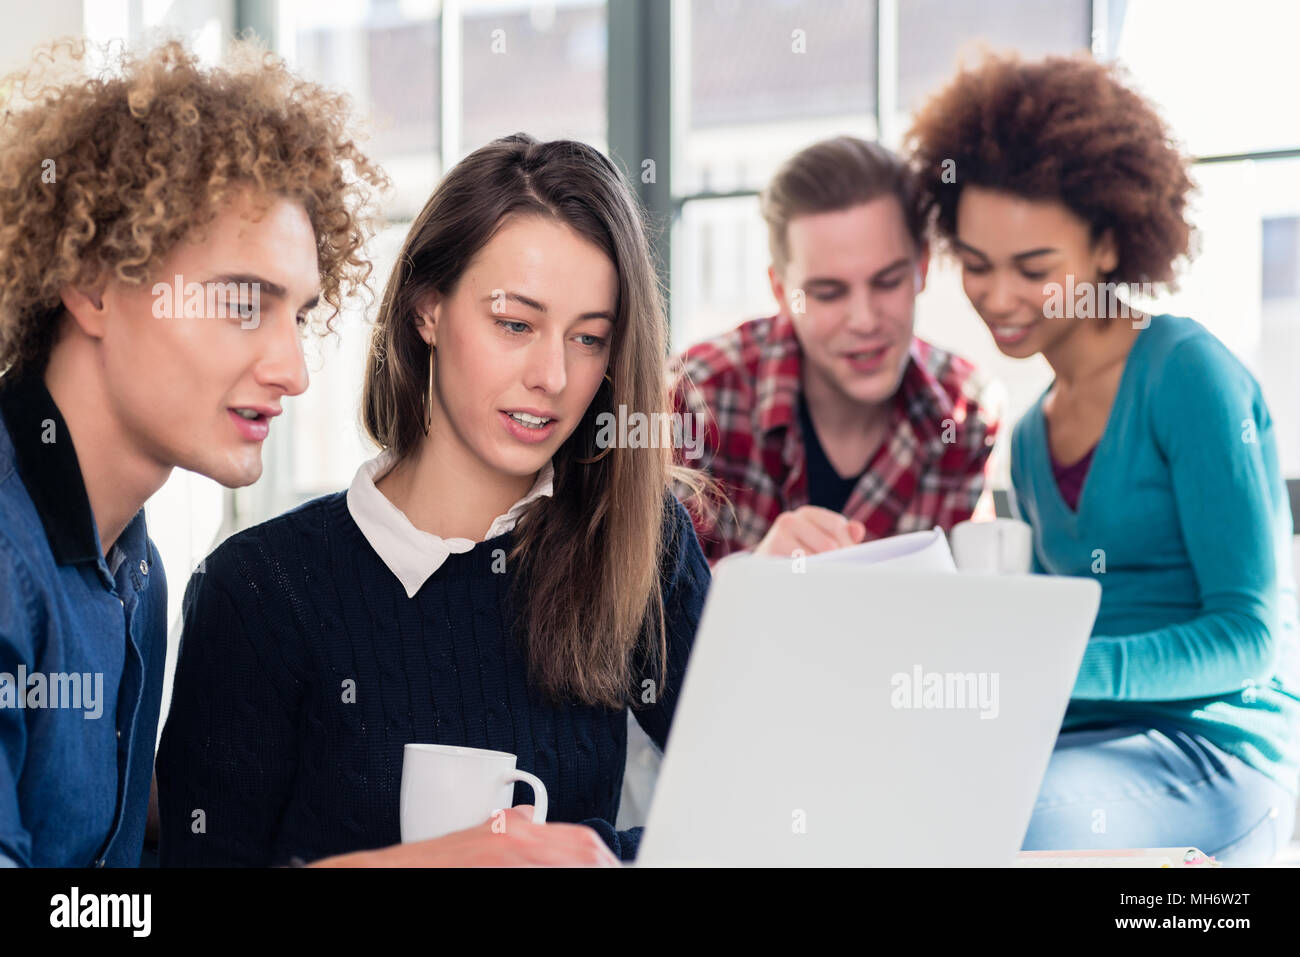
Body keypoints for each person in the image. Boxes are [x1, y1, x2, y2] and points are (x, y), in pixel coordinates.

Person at [0, 38, 617, 868]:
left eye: (298, 312)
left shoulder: (128, 568)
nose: (291, 369)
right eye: (243, 302)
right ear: (92, 284)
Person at [155, 133, 711, 866]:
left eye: (589, 339)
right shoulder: (260, 590)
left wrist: (589, 854)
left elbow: (754, 806)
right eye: (514, 324)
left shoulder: (638, 539)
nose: (552, 374)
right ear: (427, 310)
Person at [908, 52, 1300, 864]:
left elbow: (1249, 634)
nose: (999, 298)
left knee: (984, 829)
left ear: (1111, 247)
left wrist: (1051, 666)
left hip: (1216, 756)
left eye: (1034, 268)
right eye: (977, 266)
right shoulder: (1027, 438)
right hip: (1082, 751)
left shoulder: (1187, 373)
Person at [672, 136, 1000, 564]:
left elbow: (970, 609)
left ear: (921, 267)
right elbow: (646, 616)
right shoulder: (699, 395)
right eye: (828, 293)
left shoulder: (966, 413)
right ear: (781, 291)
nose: (863, 320)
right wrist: (751, 580)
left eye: (887, 282)